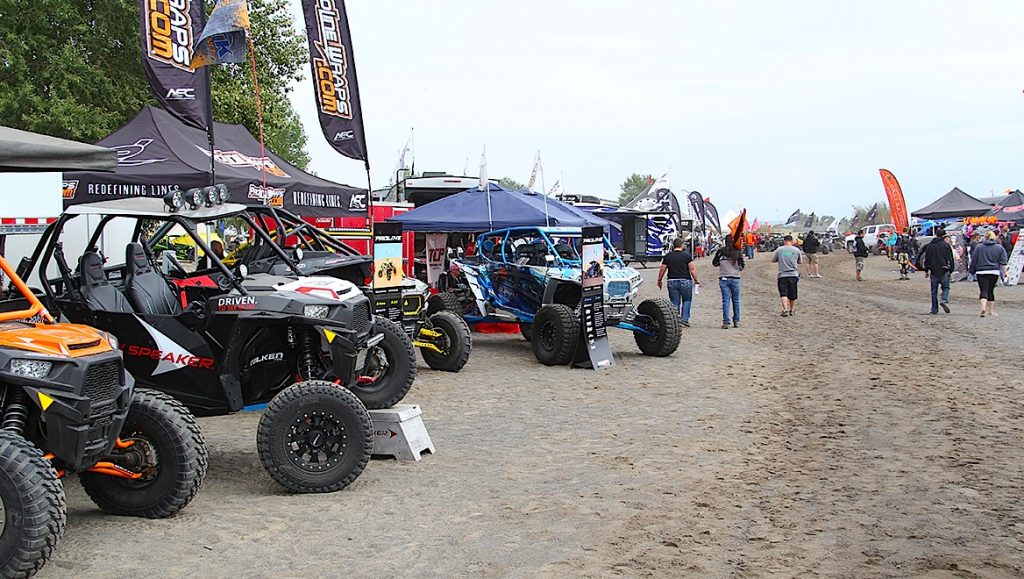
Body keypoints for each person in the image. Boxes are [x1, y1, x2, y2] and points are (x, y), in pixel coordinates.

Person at [657, 237, 700, 327]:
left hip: (672, 281)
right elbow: (692, 269)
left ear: (673, 246)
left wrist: (659, 280)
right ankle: (684, 319)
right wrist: (696, 280)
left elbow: (662, 269)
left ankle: (675, 320)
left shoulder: (668, 256)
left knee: (674, 302)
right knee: (687, 300)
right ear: (682, 245)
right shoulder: (687, 256)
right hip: (685, 280)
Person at [969, 231, 1009, 317]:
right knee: (991, 290)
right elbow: (1003, 262)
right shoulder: (999, 248)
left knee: (983, 290)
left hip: (981, 272)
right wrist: (1006, 273)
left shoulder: (979, 247)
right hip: (994, 272)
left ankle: (983, 307)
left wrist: (972, 271)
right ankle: (990, 311)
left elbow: (974, 260)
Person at [918, 228, 955, 315]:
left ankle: (934, 309)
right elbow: (950, 259)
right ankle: (944, 300)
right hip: (944, 269)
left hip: (933, 271)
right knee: (946, 287)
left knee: (934, 291)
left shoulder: (930, 245)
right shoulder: (946, 245)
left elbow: (927, 259)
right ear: (943, 236)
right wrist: (951, 270)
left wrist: (926, 270)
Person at [712, 235, 744, 329]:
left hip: (724, 278)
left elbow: (715, 263)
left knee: (725, 300)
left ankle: (726, 321)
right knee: (736, 300)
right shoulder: (737, 252)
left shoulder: (721, 252)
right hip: (735, 278)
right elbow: (742, 266)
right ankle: (736, 320)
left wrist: (723, 266)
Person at [771, 235, 802, 317]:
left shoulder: (779, 250)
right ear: (791, 241)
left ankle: (785, 310)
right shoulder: (796, 250)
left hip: (782, 275)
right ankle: (791, 310)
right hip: (793, 274)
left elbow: (773, 260)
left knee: (783, 293)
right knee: (793, 294)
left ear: (784, 241)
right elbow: (800, 261)